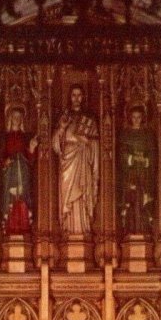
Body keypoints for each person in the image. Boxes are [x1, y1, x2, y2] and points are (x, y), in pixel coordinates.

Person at [52, 84, 100, 234]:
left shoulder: (90, 119)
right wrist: (62, 128)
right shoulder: (64, 117)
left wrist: (87, 142)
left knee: (82, 191)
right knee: (68, 195)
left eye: (79, 95)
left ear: (83, 97)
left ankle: (83, 227)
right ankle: (68, 227)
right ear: (69, 97)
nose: (77, 98)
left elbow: (96, 143)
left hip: (83, 158)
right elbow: (55, 144)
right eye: (74, 95)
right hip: (68, 159)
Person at [117, 105, 156, 234]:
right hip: (130, 172)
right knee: (131, 198)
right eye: (134, 117)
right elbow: (121, 153)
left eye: (139, 117)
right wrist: (131, 158)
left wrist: (145, 160)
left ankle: (144, 227)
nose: (136, 120)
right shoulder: (125, 134)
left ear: (142, 118)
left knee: (143, 199)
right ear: (130, 118)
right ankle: (130, 227)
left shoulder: (147, 134)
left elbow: (152, 153)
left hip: (144, 173)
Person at [0, 108, 39, 234]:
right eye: (14, 117)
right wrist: (5, 162)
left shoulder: (25, 137)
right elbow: (0, 156)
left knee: (23, 196)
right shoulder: (6, 137)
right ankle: (9, 226)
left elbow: (31, 159)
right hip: (10, 172)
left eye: (19, 117)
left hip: (23, 170)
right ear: (10, 119)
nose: (17, 119)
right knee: (11, 197)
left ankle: (24, 226)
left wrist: (32, 148)